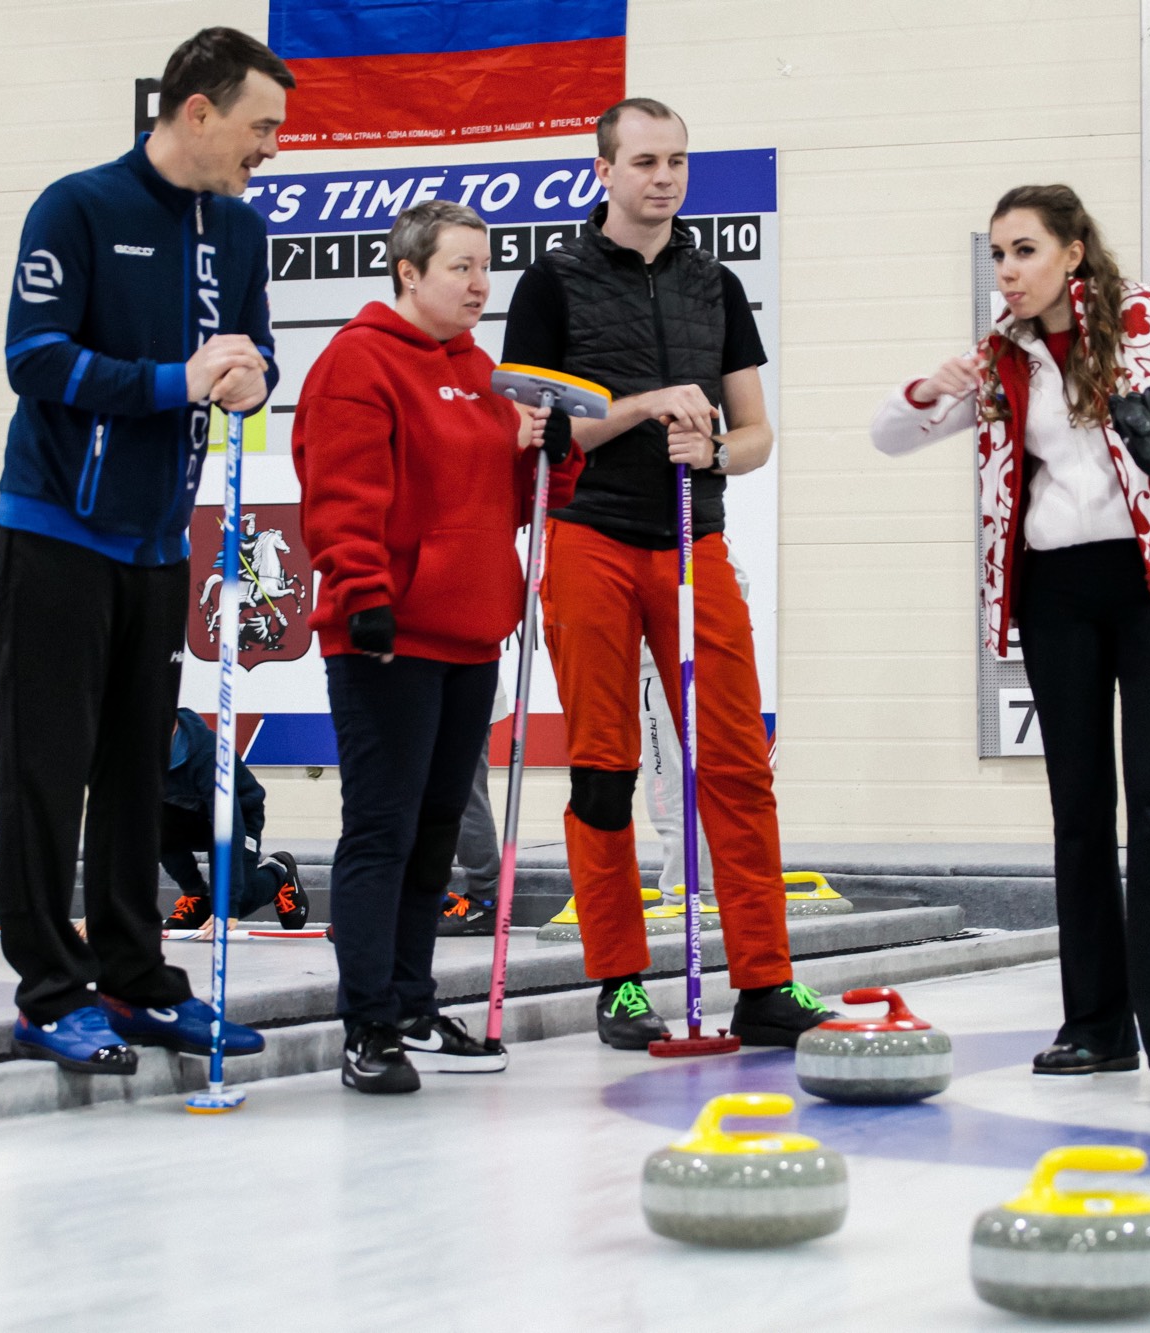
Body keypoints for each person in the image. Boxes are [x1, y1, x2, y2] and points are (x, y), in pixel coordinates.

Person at [869, 183, 1150, 1094]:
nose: (1008, 271)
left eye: (1025, 250)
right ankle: (1095, 1025)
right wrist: (934, 386)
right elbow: (888, 433)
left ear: (1074, 253)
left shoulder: (1149, 321)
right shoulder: (1003, 355)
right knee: (1079, 812)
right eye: (998, 254)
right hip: (1059, 594)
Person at [502, 98, 834, 1051]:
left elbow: (758, 433)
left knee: (735, 761)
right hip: (590, 536)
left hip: (697, 541)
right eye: (646, 160)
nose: (666, 177)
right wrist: (644, 408)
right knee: (604, 764)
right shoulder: (552, 284)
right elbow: (539, 432)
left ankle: (766, 978)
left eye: (679, 161)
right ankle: (618, 980)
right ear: (604, 169)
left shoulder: (714, 284)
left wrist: (715, 452)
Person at [0, 27, 289, 1074]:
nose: (270, 148)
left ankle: (134, 976)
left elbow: (250, 352)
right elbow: (32, 358)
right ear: (197, 111)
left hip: (160, 540)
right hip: (57, 529)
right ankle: (46, 988)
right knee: (47, 769)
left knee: (138, 770)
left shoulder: (241, 234)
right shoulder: (77, 206)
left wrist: (255, 377)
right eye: (260, 128)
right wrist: (174, 379)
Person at [294, 199, 582, 1095]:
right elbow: (341, 490)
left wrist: (556, 452)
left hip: (469, 634)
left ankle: (412, 1002)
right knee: (382, 827)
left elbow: (520, 496)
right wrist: (364, 593)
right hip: (387, 636)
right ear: (408, 273)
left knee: (433, 835)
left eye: (484, 266)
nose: (480, 284)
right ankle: (367, 1021)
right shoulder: (358, 360)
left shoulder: (482, 372)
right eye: (460, 266)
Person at [159, 707, 309, 931]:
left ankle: (279, 872)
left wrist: (227, 907)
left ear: (172, 728)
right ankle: (196, 896)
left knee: (240, 900)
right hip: (187, 819)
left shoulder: (207, 754)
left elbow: (228, 827)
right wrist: (107, 908)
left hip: (240, 815)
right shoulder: (133, 752)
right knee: (148, 823)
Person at [435, 682, 508, 937]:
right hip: (437, 685)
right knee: (431, 796)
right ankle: (431, 896)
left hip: (453, 683)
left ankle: (484, 901)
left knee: (464, 795)